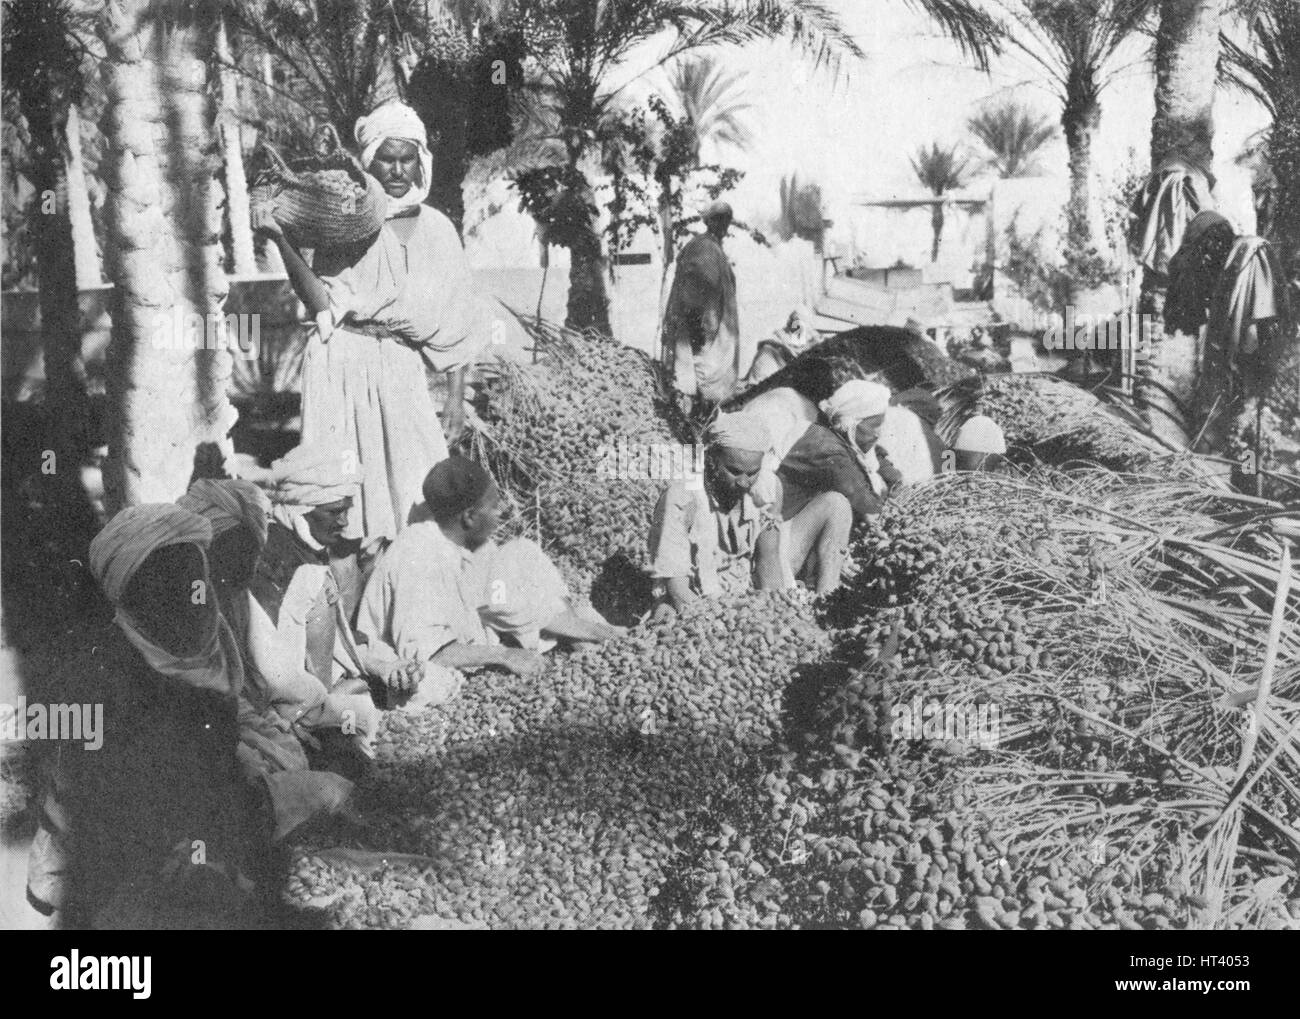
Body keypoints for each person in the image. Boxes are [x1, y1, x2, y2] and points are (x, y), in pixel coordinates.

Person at [254, 100, 482, 541]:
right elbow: (321, 303)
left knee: (417, 489)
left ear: (421, 163)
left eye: (406, 158)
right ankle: (352, 598)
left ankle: (408, 593)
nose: (397, 170)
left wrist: (455, 400)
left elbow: (458, 322)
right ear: (368, 160)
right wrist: (281, 241)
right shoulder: (347, 224)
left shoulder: (438, 230)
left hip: (399, 366)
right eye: (386, 159)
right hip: (339, 360)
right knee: (343, 499)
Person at [28, 505, 263, 927]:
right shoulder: (101, 674)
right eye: (168, 584)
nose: (193, 596)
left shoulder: (208, 640)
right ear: (133, 595)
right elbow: (104, 803)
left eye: (198, 580)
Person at [178, 478, 356, 842]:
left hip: (231, 724)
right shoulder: (189, 604)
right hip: (193, 749)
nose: (253, 560)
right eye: (242, 550)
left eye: (254, 548)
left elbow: (271, 677)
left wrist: (296, 708)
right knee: (323, 787)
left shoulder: (233, 594)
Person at [358, 457, 624, 681]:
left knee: (522, 551)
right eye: (494, 506)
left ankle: (575, 629)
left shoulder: (463, 540)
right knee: (430, 683)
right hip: (419, 662)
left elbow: (496, 600)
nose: (502, 511)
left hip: (473, 629)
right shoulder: (419, 556)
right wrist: (505, 656)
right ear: (470, 516)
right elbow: (429, 651)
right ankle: (578, 632)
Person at [247, 443, 409, 764]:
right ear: (303, 508)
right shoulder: (286, 560)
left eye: (347, 510)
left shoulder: (302, 542)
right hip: (280, 700)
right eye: (335, 512)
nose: (345, 523)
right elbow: (270, 663)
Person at [649, 411, 852, 616]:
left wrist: (774, 612)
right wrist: (718, 620)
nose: (744, 482)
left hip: (744, 582)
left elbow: (768, 560)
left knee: (836, 504)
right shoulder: (684, 495)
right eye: (734, 471)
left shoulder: (766, 487)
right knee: (666, 614)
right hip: (701, 592)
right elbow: (678, 587)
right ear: (710, 459)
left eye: (752, 472)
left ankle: (828, 608)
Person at [661, 200, 742, 412]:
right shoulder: (704, 249)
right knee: (698, 383)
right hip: (704, 333)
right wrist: (701, 331)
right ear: (710, 222)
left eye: (727, 221)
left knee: (710, 387)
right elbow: (695, 295)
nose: (724, 226)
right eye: (720, 220)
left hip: (716, 333)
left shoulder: (712, 247)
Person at [776, 379, 894, 523]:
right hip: (776, 528)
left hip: (784, 519)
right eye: (875, 425)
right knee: (837, 504)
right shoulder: (831, 451)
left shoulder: (826, 432)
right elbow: (869, 510)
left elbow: (875, 457)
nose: (878, 433)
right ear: (852, 423)